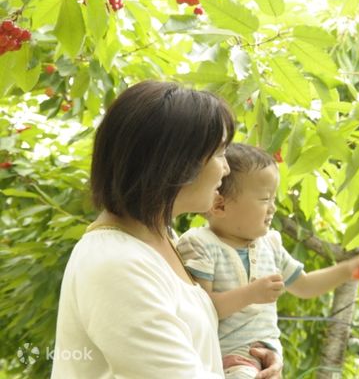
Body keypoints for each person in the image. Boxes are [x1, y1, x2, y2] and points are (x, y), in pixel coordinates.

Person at [53, 80, 282, 378]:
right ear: (177, 164)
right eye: (219, 154)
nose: (225, 169)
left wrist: (253, 360)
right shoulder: (116, 265)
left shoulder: (161, 240)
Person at [177, 143, 359, 379]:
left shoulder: (270, 245)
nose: (272, 207)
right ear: (220, 205)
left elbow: (304, 286)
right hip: (225, 360)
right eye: (265, 199)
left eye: (273, 198)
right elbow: (201, 311)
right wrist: (250, 294)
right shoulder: (200, 245)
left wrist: (347, 270)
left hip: (268, 360)